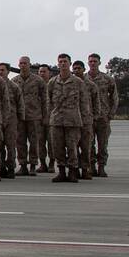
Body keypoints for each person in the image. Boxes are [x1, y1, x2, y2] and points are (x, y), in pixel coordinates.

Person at [47, 54, 87, 183]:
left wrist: (85, 119)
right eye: (60, 62)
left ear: (70, 64)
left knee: (72, 147)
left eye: (65, 61)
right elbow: (48, 101)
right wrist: (49, 117)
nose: (63, 64)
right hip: (57, 119)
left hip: (73, 120)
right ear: (58, 64)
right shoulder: (53, 82)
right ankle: (62, 171)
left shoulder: (78, 82)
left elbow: (83, 102)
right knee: (57, 147)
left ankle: (73, 171)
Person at [87, 54, 118, 177]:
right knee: (88, 144)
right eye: (90, 61)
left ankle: (101, 167)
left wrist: (111, 114)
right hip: (88, 116)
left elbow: (114, 97)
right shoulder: (83, 79)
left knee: (102, 144)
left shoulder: (107, 79)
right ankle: (91, 166)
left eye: (95, 61)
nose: (93, 63)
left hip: (103, 117)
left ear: (99, 63)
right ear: (88, 63)